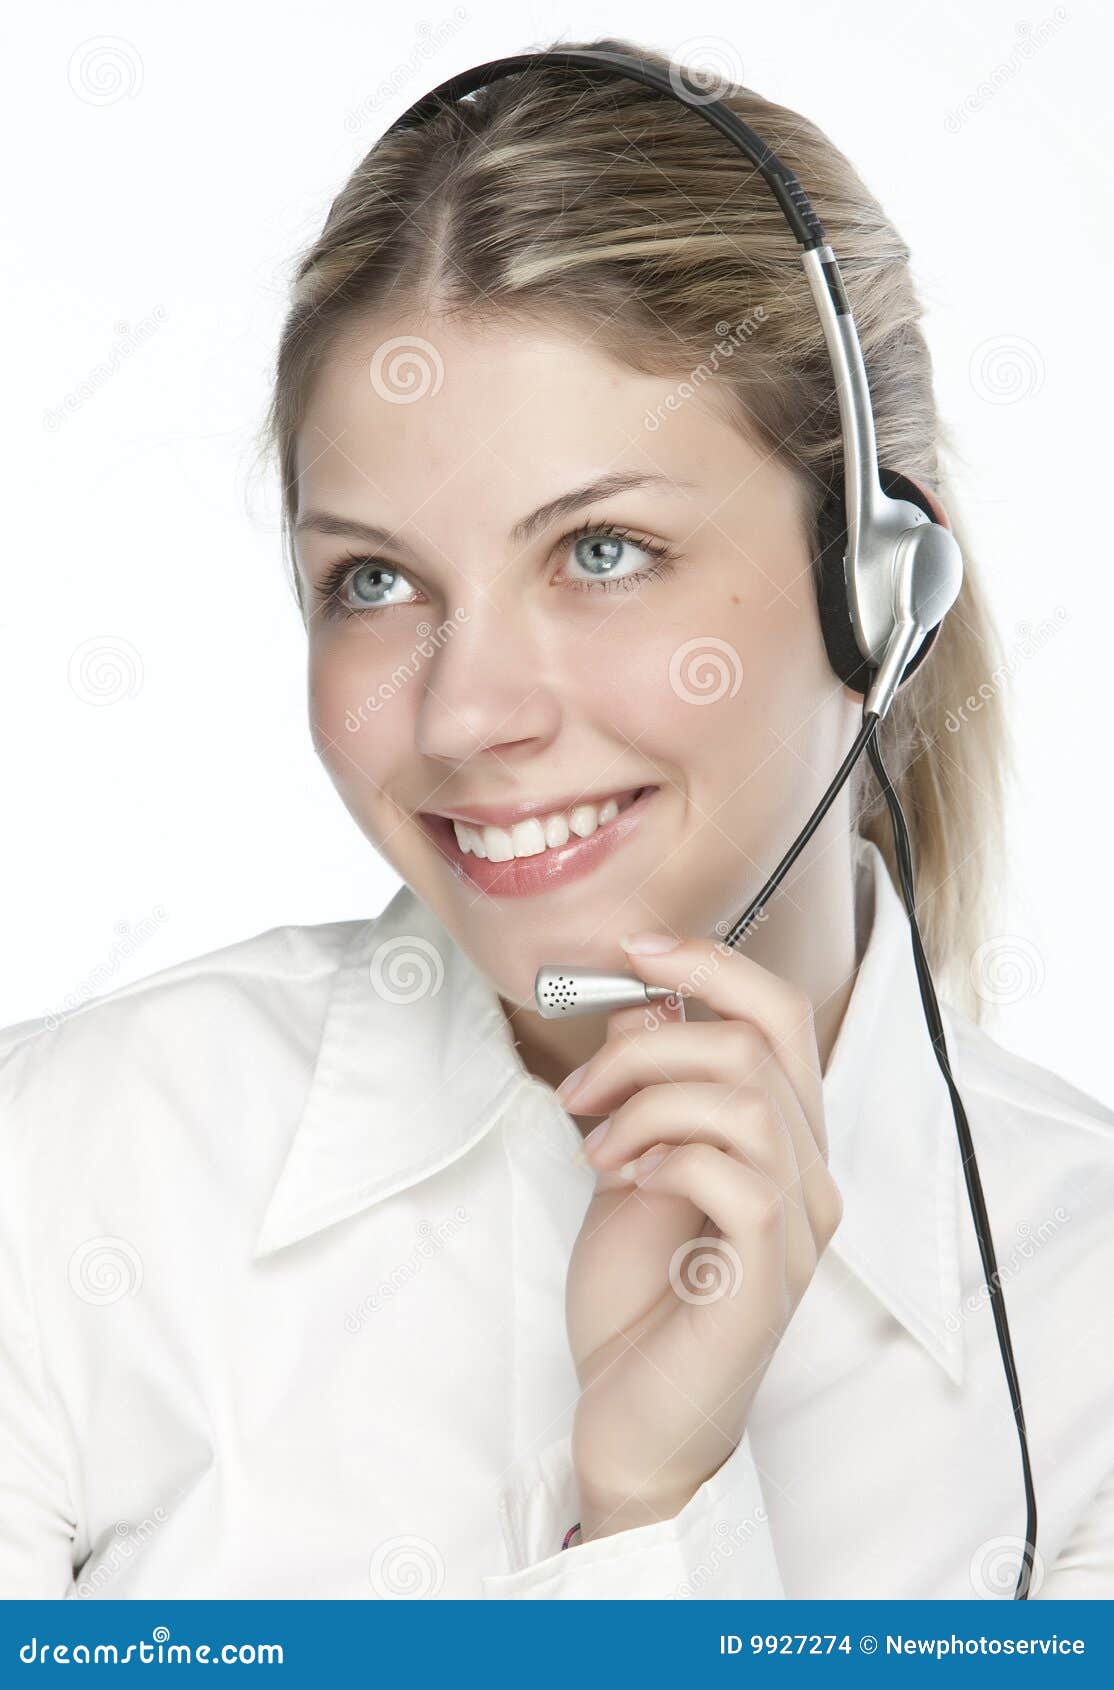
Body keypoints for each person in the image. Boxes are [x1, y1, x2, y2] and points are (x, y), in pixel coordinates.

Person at [1, 36, 1111, 1601]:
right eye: (373, 582)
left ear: (876, 593)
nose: (463, 715)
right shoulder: (61, 1177)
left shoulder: (1081, 1330)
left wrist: (654, 1501)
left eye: (600, 551)